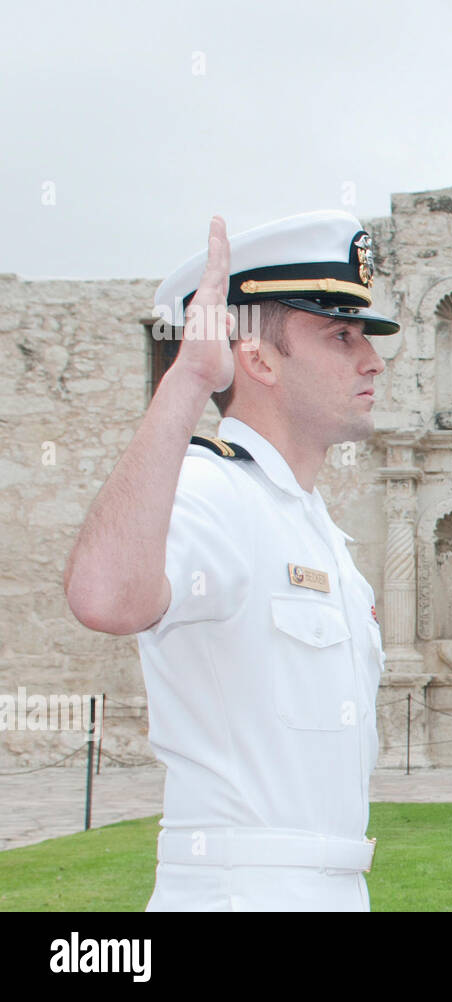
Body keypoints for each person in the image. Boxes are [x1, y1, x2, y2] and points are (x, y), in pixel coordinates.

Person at [63, 210, 398, 910]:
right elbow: (102, 596)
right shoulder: (211, 492)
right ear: (259, 358)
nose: (372, 360)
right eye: (341, 335)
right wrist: (186, 386)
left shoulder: (318, 531)